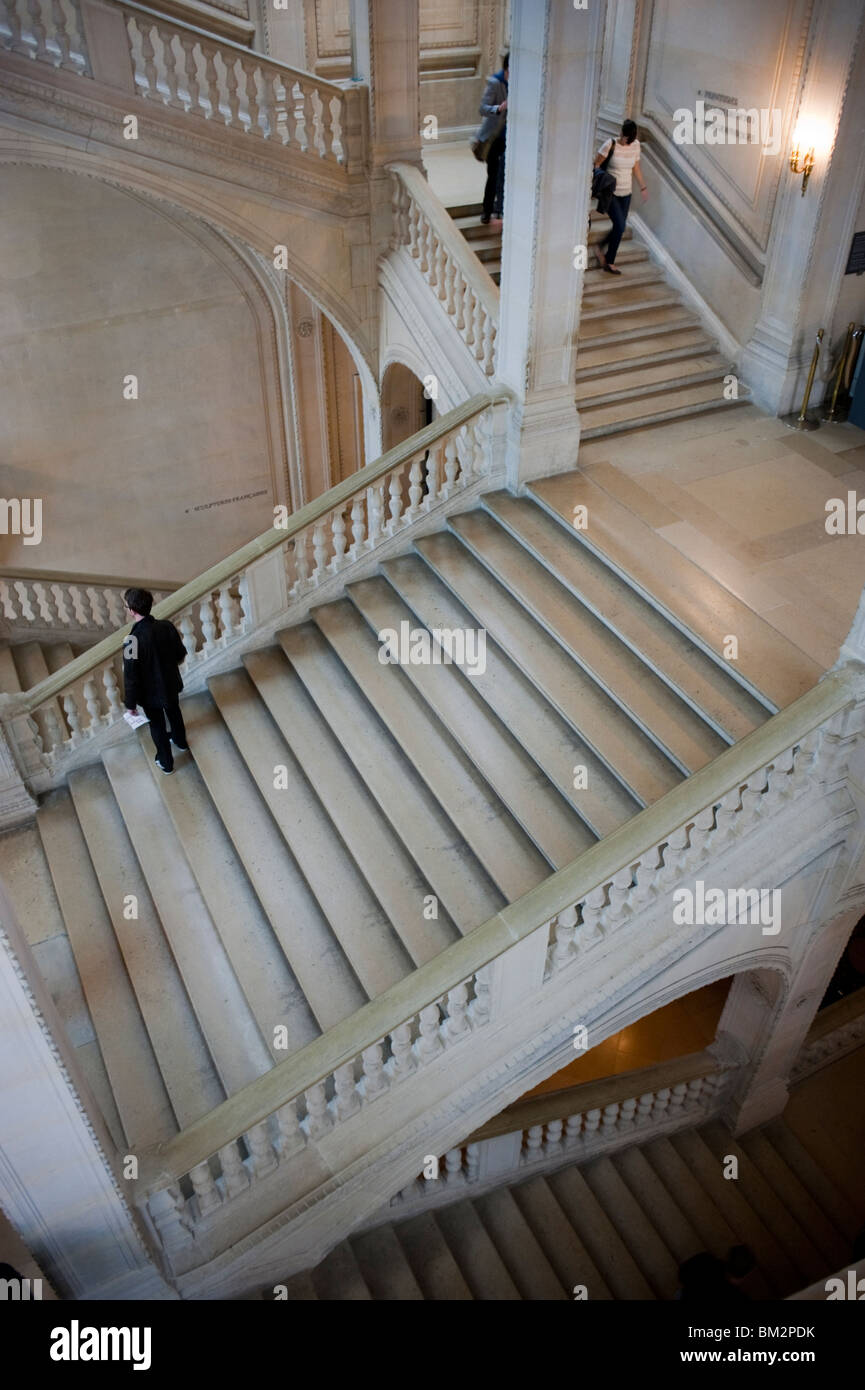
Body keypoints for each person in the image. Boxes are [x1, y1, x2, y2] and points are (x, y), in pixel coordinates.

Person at [122, 587, 190, 774]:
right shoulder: (166, 626)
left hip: (149, 694)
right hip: (170, 684)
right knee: (174, 712)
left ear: (132, 611)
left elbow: (130, 676)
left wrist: (131, 704)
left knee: (157, 725)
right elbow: (180, 654)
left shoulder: (131, 641)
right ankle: (180, 741)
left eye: (126, 606)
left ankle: (166, 762)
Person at [593, 119, 648, 274]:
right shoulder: (610, 144)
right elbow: (596, 165)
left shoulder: (636, 146)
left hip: (626, 193)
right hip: (610, 193)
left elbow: (636, 167)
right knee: (620, 225)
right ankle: (608, 260)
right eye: (623, 136)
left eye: (627, 138)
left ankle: (602, 251)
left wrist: (643, 187)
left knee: (619, 228)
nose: (624, 140)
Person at [476, 52, 509, 227]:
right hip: (494, 138)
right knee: (494, 174)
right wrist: (498, 108)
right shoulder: (495, 83)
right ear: (507, 68)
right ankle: (487, 210)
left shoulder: (517, 83)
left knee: (505, 174)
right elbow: (482, 109)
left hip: (510, 138)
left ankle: (500, 208)